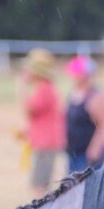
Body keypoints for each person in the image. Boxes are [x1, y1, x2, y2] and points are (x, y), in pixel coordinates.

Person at [18, 48, 65, 197]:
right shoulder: (45, 88)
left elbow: (28, 110)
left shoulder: (44, 89)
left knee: (39, 187)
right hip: (44, 142)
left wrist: (22, 87)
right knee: (41, 184)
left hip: (45, 144)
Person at [65, 55, 104, 173]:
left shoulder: (95, 97)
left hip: (88, 155)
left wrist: (96, 147)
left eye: (76, 72)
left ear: (86, 75)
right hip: (74, 152)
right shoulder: (74, 94)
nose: (72, 76)